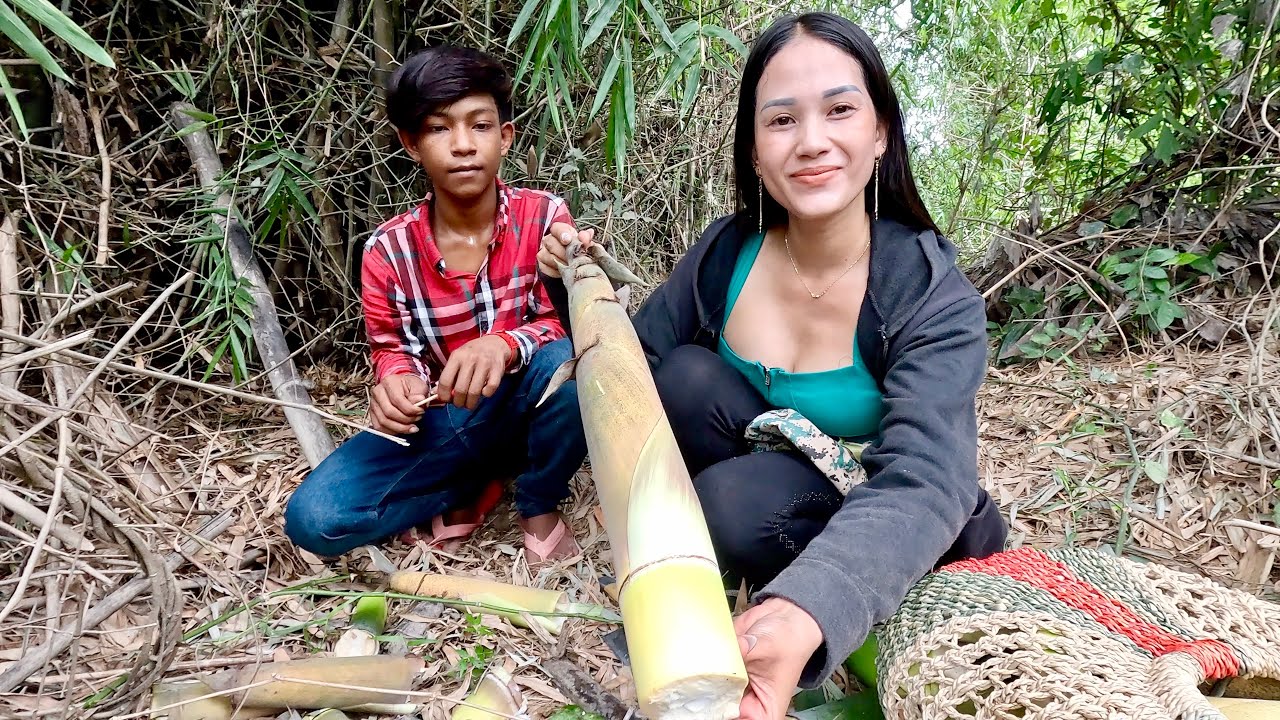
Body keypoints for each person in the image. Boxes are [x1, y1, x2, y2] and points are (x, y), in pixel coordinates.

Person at [538, 12, 1007, 719]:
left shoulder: (927, 291)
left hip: (888, 515)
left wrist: (809, 606)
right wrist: (572, 283)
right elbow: (634, 366)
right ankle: (728, 537)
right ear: (755, 151)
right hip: (780, 461)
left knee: (729, 504)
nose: (812, 141)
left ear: (881, 132)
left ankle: (796, 576)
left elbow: (927, 477)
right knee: (684, 378)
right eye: (782, 120)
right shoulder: (728, 250)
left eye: (840, 110)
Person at [283, 45, 587, 565]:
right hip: (449, 422)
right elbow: (392, 349)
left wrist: (503, 345)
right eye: (440, 129)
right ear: (411, 144)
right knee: (315, 520)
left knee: (573, 365)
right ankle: (469, 486)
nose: (463, 145)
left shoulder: (544, 216)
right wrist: (395, 383)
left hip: (530, 405)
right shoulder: (388, 250)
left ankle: (537, 500)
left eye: (480, 126)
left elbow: (562, 322)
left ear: (505, 137)